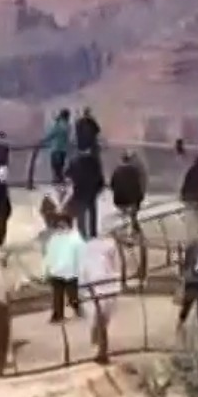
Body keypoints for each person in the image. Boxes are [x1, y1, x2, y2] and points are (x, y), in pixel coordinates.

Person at [80, 215, 122, 355]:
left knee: (103, 318)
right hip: (95, 284)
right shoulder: (84, 247)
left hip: (106, 283)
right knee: (98, 318)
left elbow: (114, 265)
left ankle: (100, 346)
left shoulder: (110, 244)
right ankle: (100, 348)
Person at [43, 214, 86, 323]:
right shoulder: (54, 239)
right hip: (58, 271)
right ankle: (58, 315)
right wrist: (46, 270)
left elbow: (81, 253)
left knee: (72, 295)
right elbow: (49, 255)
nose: (61, 228)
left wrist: (82, 269)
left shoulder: (74, 238)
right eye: (59, 226)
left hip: (70, 271)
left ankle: (76, 310)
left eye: (63, 225)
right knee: (58, 295)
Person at [66, 143, 105, 239]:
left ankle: (82, 233)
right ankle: (93, 232)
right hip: (92, 191)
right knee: (92, 211)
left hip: (79, 191)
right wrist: (99, 188)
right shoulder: (94, 162)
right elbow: (99, 177)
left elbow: (67, 174)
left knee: (81, 213)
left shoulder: (74, 161)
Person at [109, 152, 146, 237]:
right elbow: (137, 186)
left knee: (125, 213)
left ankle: (128, 229)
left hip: (119, 200)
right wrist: (139, 198)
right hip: (131, 200)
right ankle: (134, 229)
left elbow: (112, 185)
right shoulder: (134, 171)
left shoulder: (116, 171)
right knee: (133, 211)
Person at [43, 109, 72, 184]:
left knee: (55, 166)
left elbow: (52, 134)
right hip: (63, 149)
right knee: (60, 166)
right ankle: (61, 180)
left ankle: (57, 180)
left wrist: (42, 140)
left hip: (56, 149)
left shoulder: (58, 125)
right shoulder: (68, 125)